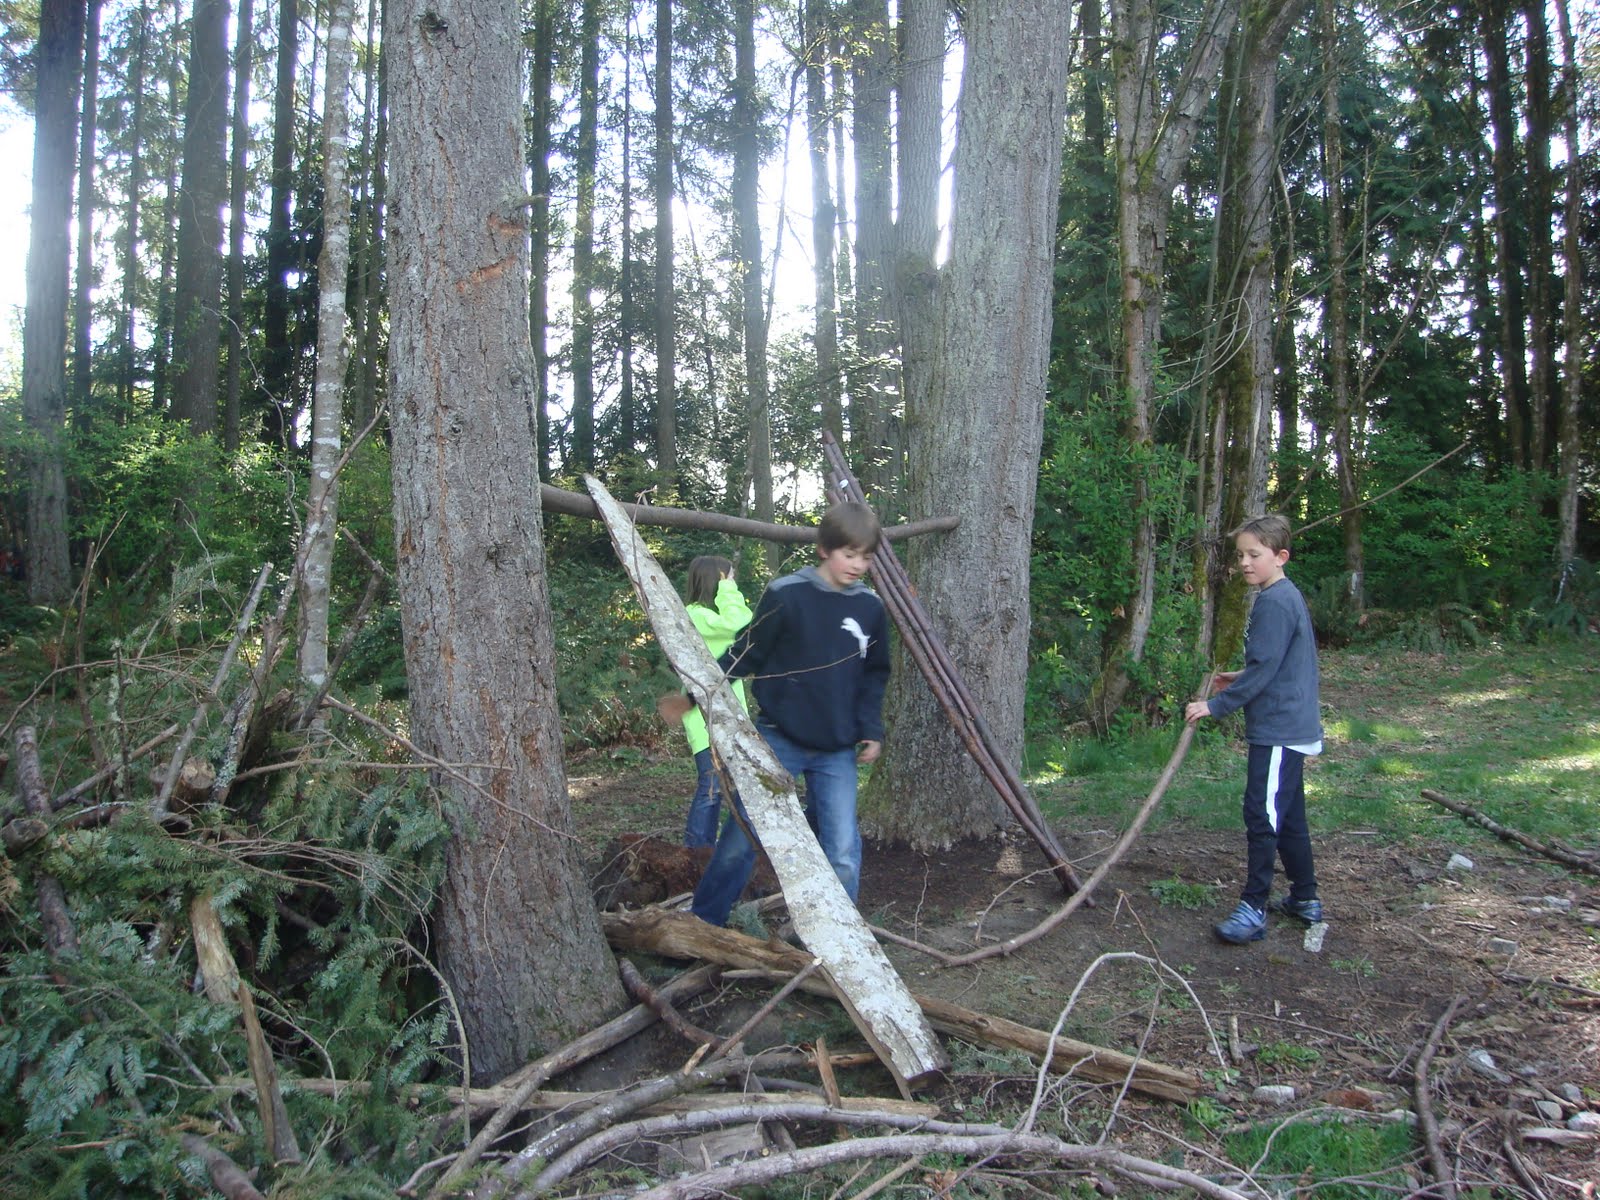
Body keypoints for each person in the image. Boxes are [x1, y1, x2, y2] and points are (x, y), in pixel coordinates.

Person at [690, 500, 891, 927]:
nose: (857, 565)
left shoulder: (870, 609)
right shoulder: (787, 595)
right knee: (743, 838)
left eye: (866, 556)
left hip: (837, 748)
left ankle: (838, 942)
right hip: (780, 738)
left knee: (842, 850)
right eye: (849, 554)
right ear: (824, 549)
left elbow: (874, 674)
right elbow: (747, 651)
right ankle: (703, 923)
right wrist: (696, 693)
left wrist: (870, 728)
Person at [1186, 514, 1325, 944]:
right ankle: (1305, 899)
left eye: (1254, 555)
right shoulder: (1280, 596)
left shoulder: (1275, 602)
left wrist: (1217, 704)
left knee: (1262, 815)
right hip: (1289, 722)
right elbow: (1271, 664)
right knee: (1289, 817)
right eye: (1241, 555)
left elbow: (1265, 667)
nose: (1245, 563)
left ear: (1280, 556)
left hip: (1279, 729)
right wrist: (1239, 676)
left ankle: (1253, 908)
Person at [676, 555, 753, 847]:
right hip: (704, 715)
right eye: (729, 578)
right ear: (717, 581)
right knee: (711, 787)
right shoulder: (696, 615)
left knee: (731, 787)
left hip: (727, 714)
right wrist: (729, 590)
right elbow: (739, 621)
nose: (734, 583)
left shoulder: (709, 616)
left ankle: (722, 852)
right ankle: (697, 854)